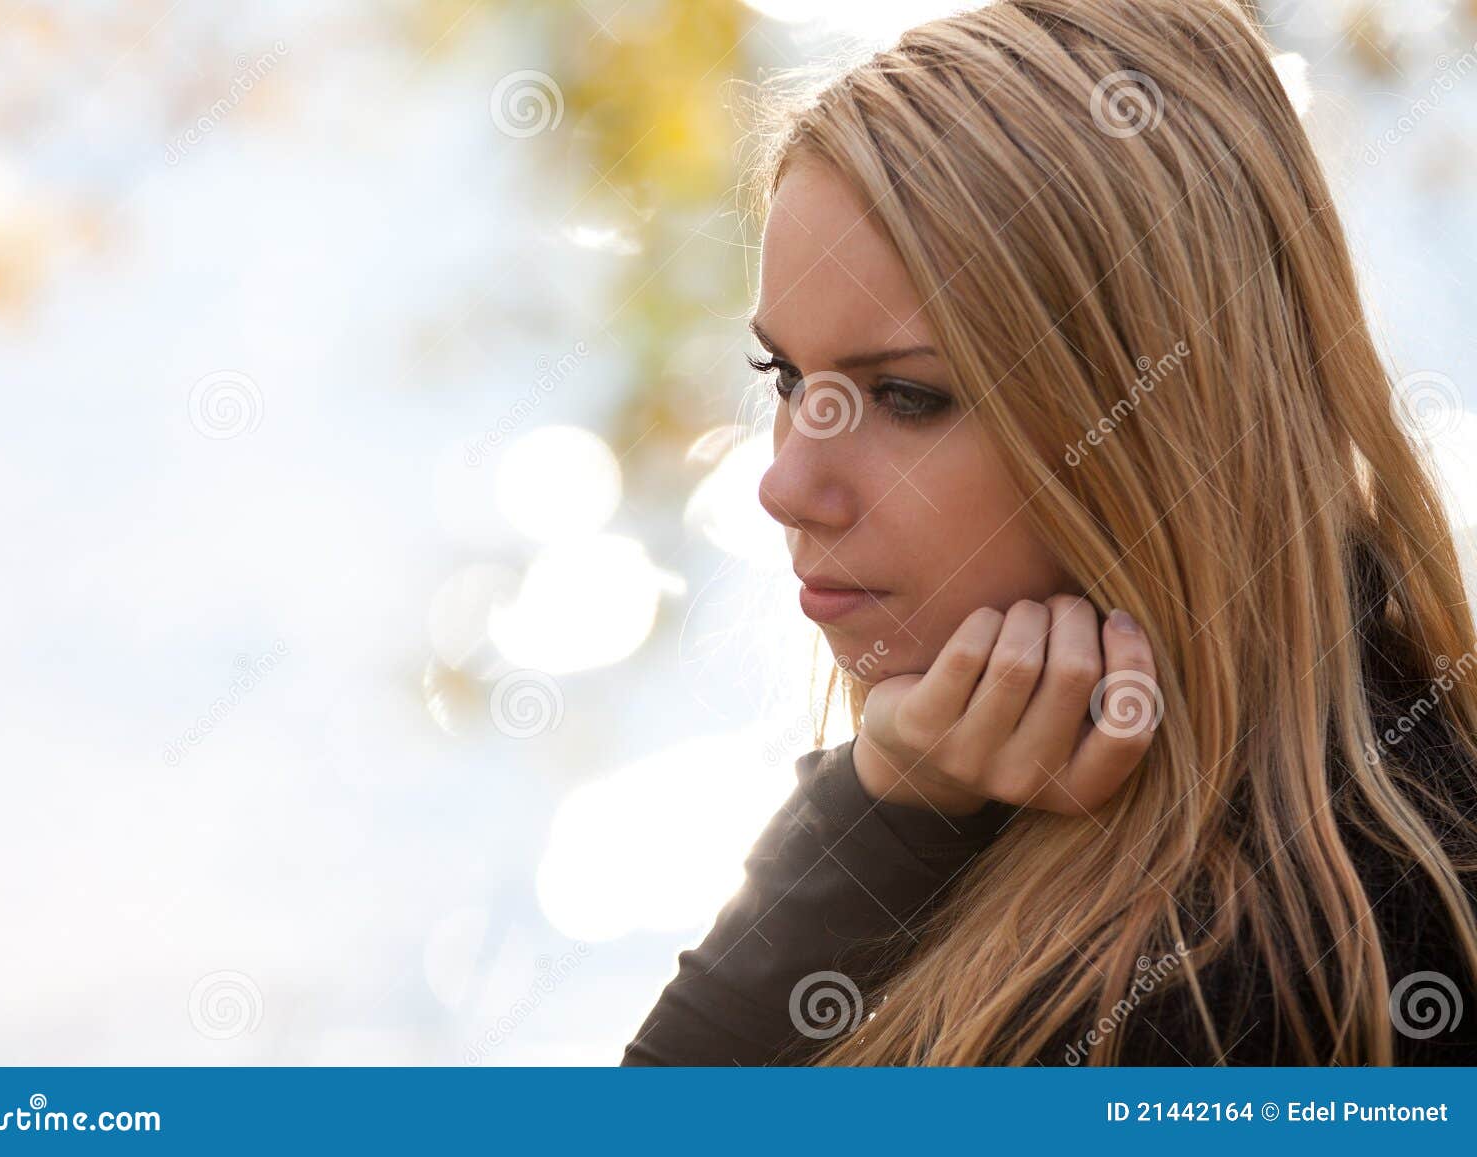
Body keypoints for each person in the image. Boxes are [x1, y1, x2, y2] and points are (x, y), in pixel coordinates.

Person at [623, 0, 1477, 1065]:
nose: (786, 484)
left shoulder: (1246, 995)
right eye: (787, 378)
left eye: (904, 396)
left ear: (1160, 419)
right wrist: (886, 813)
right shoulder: (996, 803)